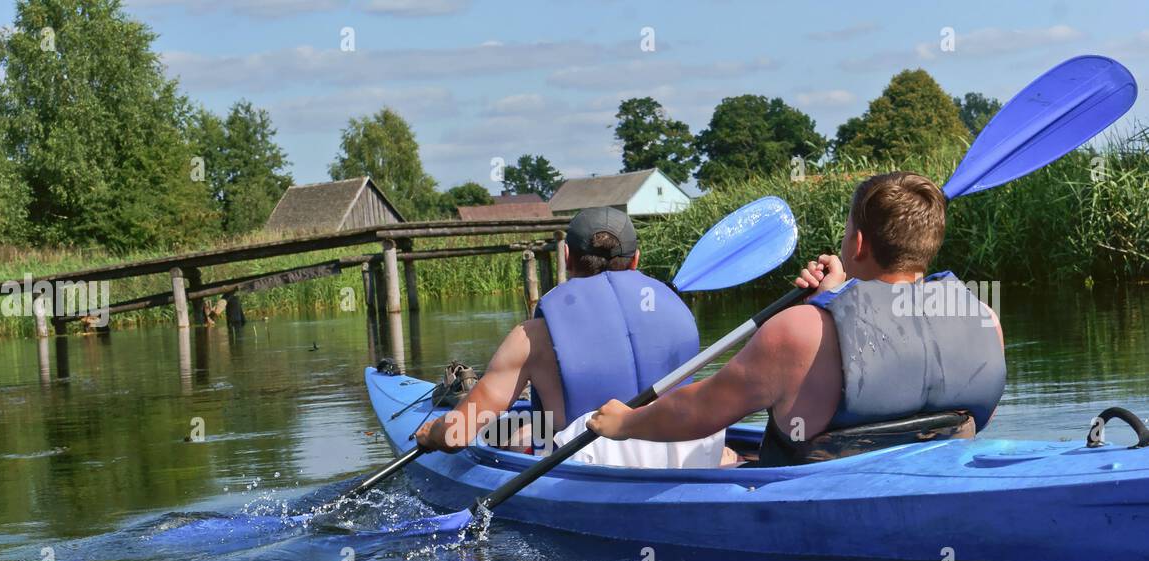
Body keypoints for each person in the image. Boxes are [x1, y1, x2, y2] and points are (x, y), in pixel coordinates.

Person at [587, 172, 1006, 465]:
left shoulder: (798, 331)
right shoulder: (984, 317)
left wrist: (626, 422)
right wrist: (834, 299)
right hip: (933, 480)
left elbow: (700, 411)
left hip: (818, 537)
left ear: (857, 242)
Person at [414, 206, 731, 467]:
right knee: (729, 453)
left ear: (566, 256)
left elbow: (457, 436)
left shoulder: (532, 336)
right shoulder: (677, 312)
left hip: (590, 461)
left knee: (515, 431)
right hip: (683, 452)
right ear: (636, 259)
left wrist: (433, 434)